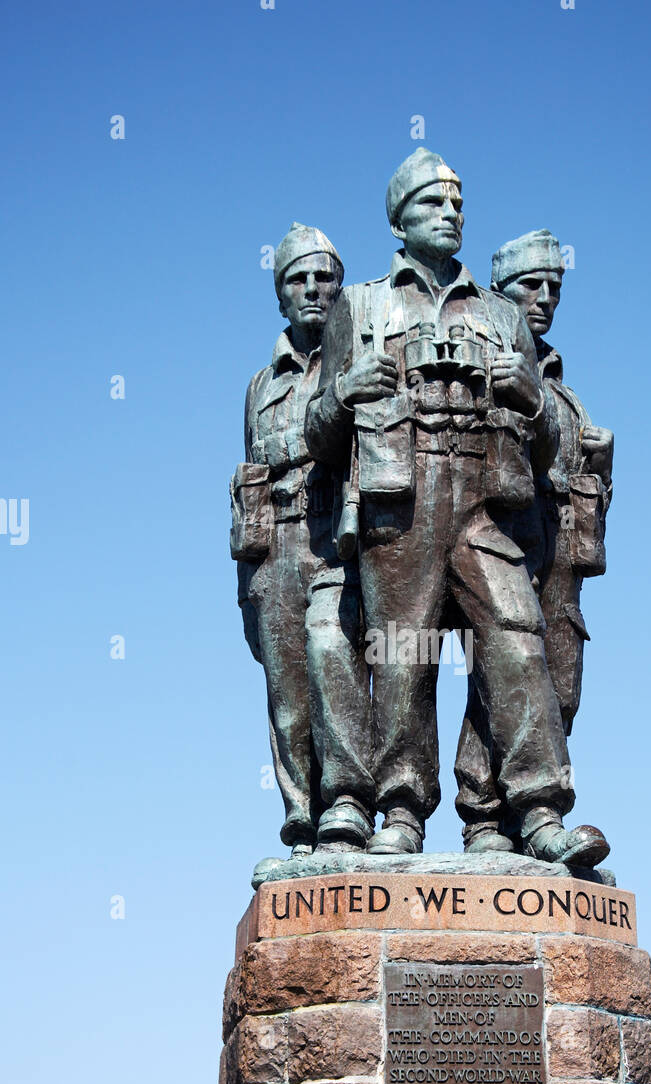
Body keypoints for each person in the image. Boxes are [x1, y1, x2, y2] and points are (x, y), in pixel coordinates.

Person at [306, 153, 606, 867]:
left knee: (515, 637)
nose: (451, 214)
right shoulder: (361, 306)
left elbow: (553, 444)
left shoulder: (503, 315)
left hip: (485, 499)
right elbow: (318, 435)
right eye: (434, 203)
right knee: (404, 656)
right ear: (399, 219)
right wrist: (346, 388)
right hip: (399, 501)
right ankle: (402, 813)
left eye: (458, 203)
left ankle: (538, 812)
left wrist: (530, 396)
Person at [454, 229, 614, 854]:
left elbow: (584, 486)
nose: (545, 297)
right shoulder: (487, 366)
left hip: (563, 559)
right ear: (500, 292)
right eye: (531, 285)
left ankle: (525, 829)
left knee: (561, 687)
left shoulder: (563, 390)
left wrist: (604, 461)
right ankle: (487, 817)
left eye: (555, 286)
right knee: (500, 675)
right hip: (503, 541)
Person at [231, 223, 374, 857]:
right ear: (280, 294)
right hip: (273, 549)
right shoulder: (259, 387)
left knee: (332, 655)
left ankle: (348, 803)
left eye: (325, 277)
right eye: (298, 278)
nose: (313, 288)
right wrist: (248, 590)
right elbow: (250, 480)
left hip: (333, 537)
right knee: (286, 692)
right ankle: (302, 819)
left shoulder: (359, 357)